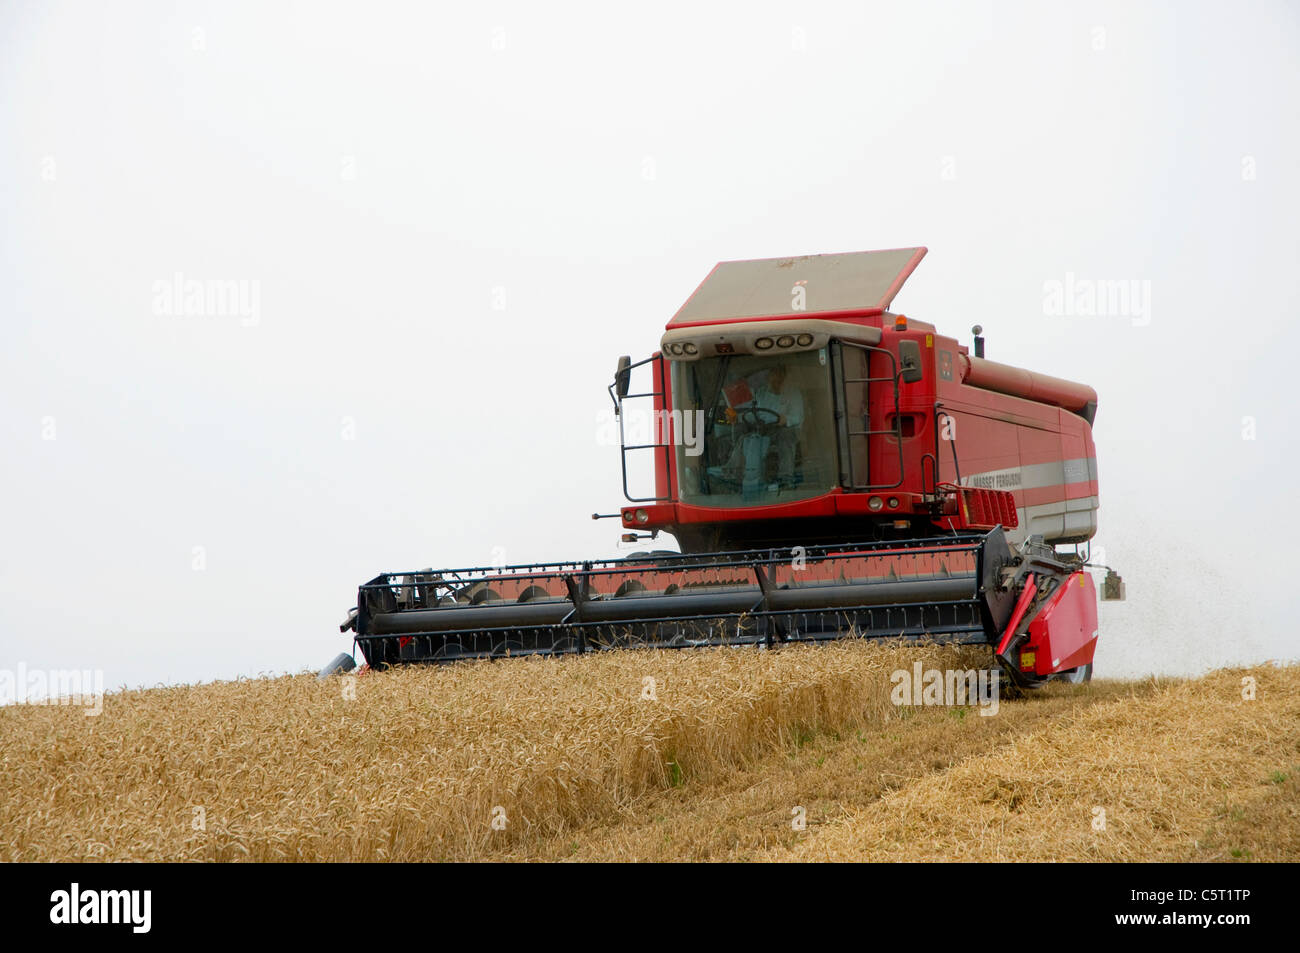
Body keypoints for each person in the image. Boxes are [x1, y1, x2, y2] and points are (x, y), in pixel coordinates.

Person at [710, 363, 803, 490]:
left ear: (784, 376)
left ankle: (785, 477)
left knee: (786, 435)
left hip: (782, 429)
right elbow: (754, 412)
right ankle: (731, 470)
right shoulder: (762, 392)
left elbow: (798, 417)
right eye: (772, 374)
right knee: (744, 434)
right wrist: (737, 417)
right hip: (762, 428)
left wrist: (785, 419)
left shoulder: (793, 393)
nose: (774, 378)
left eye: (778, 374)